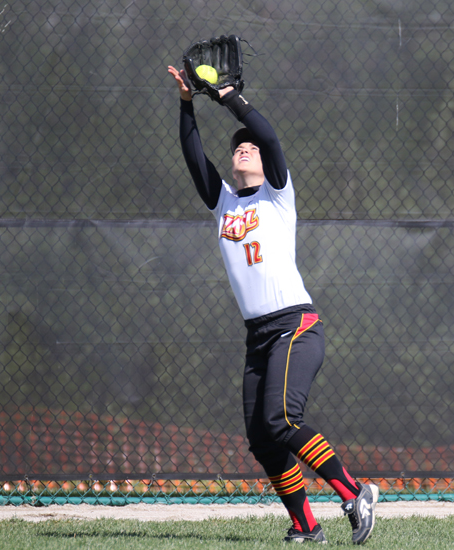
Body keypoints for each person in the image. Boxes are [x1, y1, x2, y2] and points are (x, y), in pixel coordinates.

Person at [166, 64, 378, 545]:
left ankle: (355, 492)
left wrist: (228, 98)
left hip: (295, 327)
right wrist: (186, 104)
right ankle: (306, 526)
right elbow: (193, 156)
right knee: (262, 438)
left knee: (282, 420)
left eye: (251, 148)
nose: (243, 148)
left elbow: (269, 136)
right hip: (258, 337)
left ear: (266, 163)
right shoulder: (224, 203)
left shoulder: (277, 196)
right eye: (237, 147)